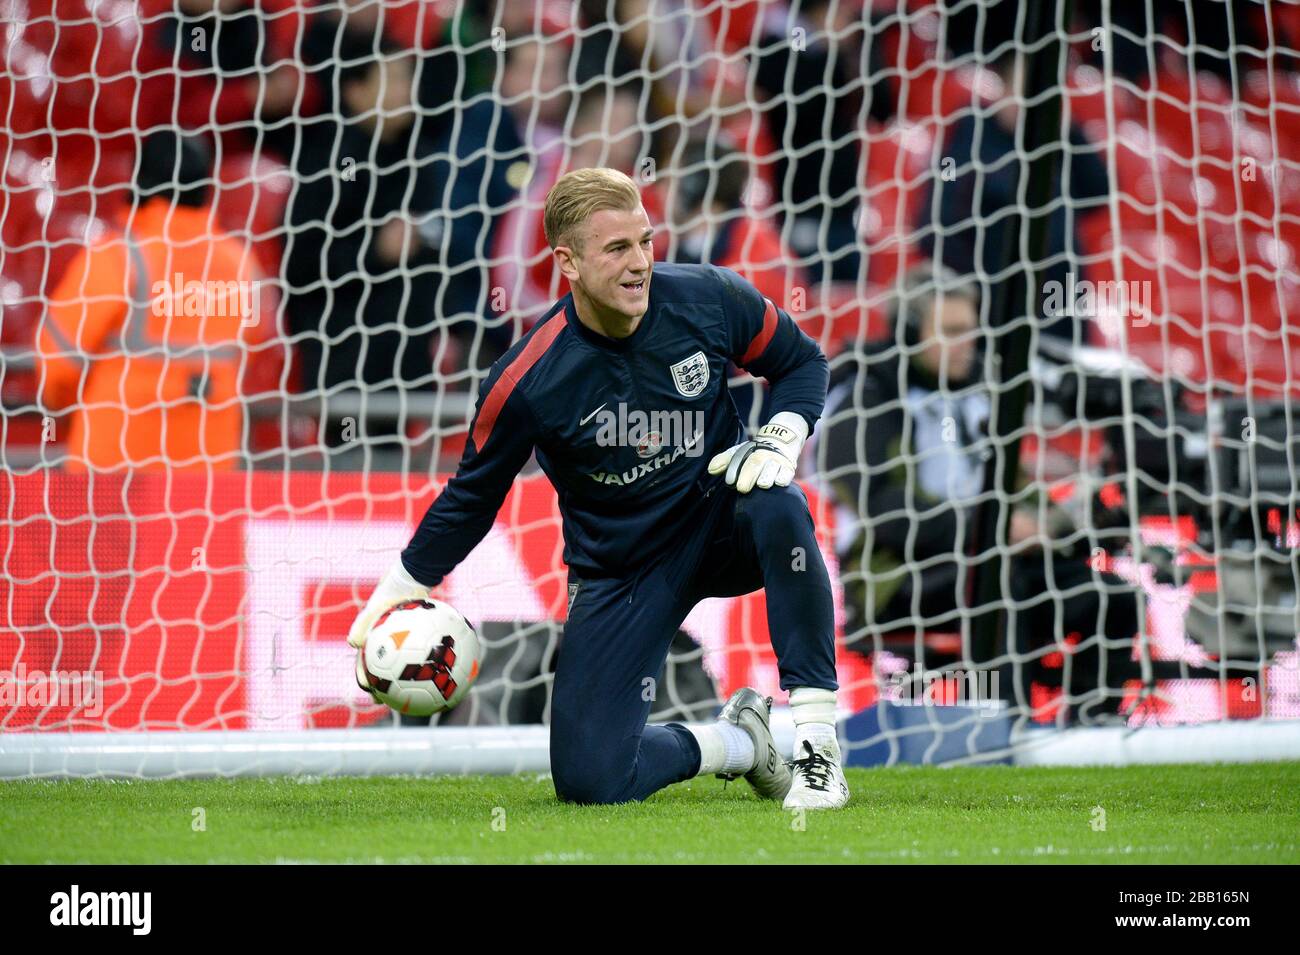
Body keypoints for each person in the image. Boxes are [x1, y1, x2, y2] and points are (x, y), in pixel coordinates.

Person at [349, 167, 849, 809]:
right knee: (591, 782)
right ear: (568, 262)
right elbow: (473, 496)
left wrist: (783, 431)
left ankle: (817, 751)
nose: (640, 262)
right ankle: (742, 744)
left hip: (720, 523)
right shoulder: (526, 379)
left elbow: (802, 361)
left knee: (781, 504)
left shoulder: (709, 297)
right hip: (622, 570)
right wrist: (400, 588)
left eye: (645, 241)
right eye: (617, 249)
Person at [818, 264, 1140, 723]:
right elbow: (885, 515)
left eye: (969, 331)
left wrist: (1059, 524)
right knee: (1000, 580)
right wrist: (991, 529)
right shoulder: (863, 399)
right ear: (909, 332)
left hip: (990, 566)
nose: (965, 343)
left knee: (1113, 595)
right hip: (898, 580)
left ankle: (1092, 726)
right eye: (950, 331)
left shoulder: (982, 394)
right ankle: (1010, 727)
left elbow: (1018, 490)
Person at [36, 130, 273, 472]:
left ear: (138, 180)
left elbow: (55, 365)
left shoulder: (116, 257)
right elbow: (255, 353)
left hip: (114, 471)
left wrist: (73, 408)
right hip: (207, 474)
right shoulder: (241, 264)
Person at [282, 36, 441, 398]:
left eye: (408, 77)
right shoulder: (329, 164)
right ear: (354, 91)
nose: (407, 89)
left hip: (406, 358)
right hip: (341, 353)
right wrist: (374, 251)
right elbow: (300, 264)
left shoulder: (418, 159)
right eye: (395, 79)